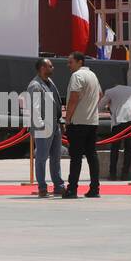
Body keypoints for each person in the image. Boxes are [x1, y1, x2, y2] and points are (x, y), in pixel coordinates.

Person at [22, 58, 64, 198]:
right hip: (44, 127)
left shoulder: (49, 82)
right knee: (41, 158)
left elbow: (56, 102)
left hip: (55, 125)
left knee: (56, 157)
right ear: (42, 68)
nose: (53, 68)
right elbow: (34, 108)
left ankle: (58, 185)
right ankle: (42, 187)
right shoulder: (35, 85)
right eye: (50, 66)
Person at [62, 52, 101, 199]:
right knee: (92, 155)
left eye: (70, 62)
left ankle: (72, 189)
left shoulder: (77, 76)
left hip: (78, 122)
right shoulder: (93, 76)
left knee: (76, 157)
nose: (68, 65)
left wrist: (68, 118)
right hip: (92, 121)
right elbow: (100, 94)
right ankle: (95, 188)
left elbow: (73, 98)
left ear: (79, 62)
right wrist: (90, 108)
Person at [99, 81, 131, 181]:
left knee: (114, 148)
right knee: (128, 148)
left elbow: (99, 107)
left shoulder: (110, 92)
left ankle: (112, 174)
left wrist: (110, 107)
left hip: (118, 122)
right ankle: (125, 174)